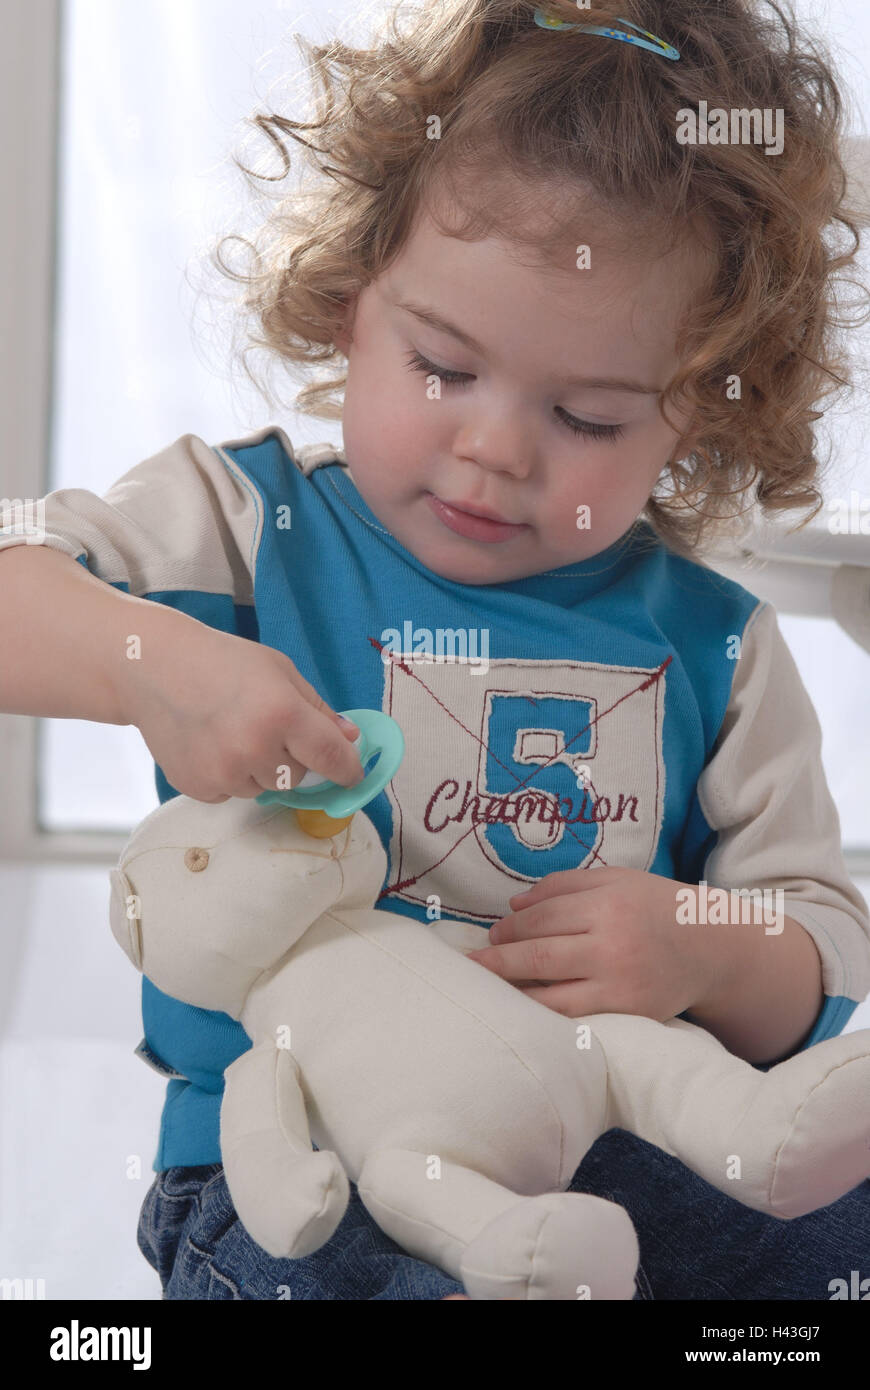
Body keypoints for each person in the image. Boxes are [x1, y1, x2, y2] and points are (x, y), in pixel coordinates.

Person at [2, 0, 869, 1300]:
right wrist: (147, 658)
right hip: (301, 1164)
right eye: (442, 367)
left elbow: (809, 930)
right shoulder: (249, 530)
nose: (496, 448)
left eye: (584, 413)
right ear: (353, 304)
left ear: (694, 415)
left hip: (626, 1144)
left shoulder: (715, 646)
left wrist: (707, 940)